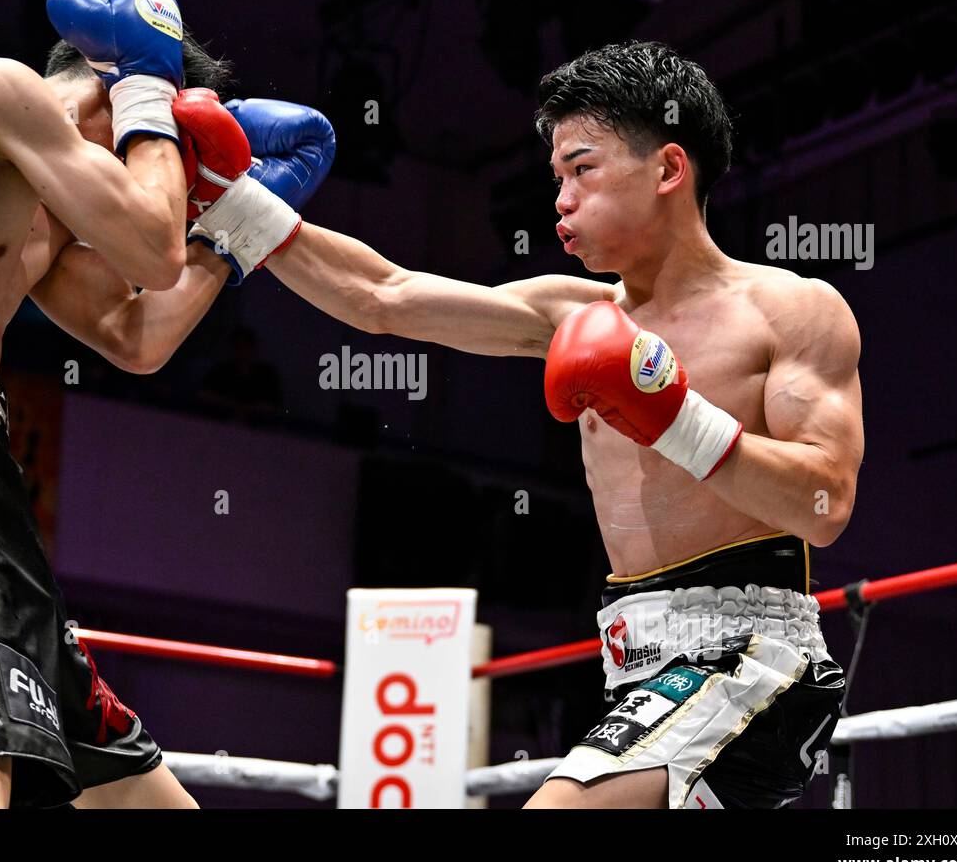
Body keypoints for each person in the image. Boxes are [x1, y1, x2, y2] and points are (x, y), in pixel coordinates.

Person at [210, 40, 862, 808]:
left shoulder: (791, 309)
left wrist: (676, 418)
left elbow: (826, 507)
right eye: (557, 177)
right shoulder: (571, 314)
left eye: (582, 169)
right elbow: (382, 297)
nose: (561, 198)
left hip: (756, 655)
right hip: (637, 666)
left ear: (668, 169)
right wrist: (232, 202)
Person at [0, 0, 330, 808]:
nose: (147, 160)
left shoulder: (47, 213)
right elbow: (155, 248)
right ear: (111, 83)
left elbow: (139, 336)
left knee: (134, 795)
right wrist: (152, 100)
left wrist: (237, 228)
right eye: (145, 127)